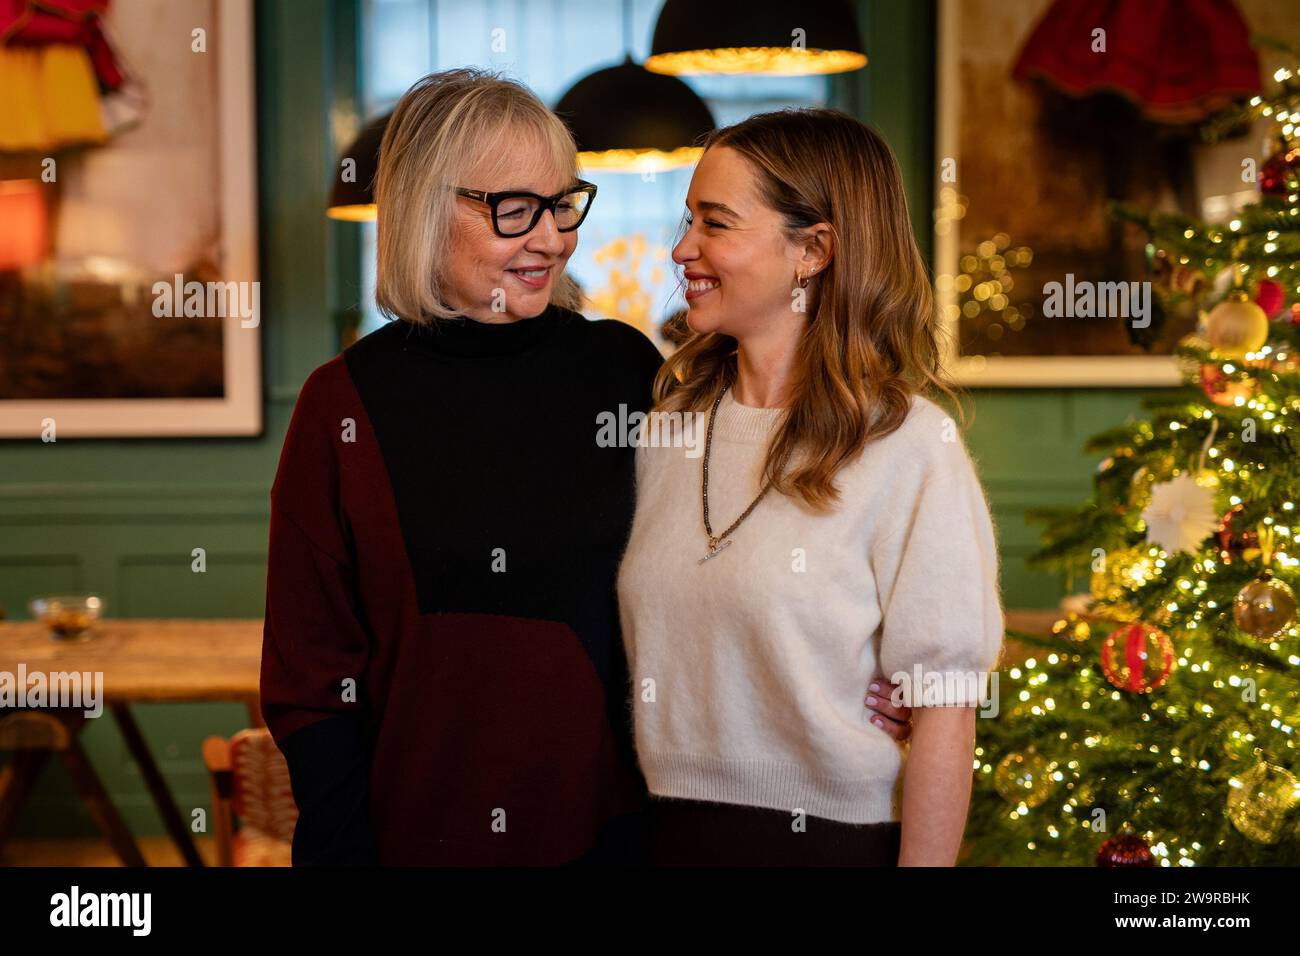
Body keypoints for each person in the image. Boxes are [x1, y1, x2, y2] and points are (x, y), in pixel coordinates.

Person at [259, 69, 919, 866]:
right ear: (427, 211)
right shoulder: (343, 402)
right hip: (409, 837)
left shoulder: (624, 371)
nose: (552, 238)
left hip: (624, 838)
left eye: (563, 202)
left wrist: (858, 672)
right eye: (514, 210)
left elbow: (736, 564)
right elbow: (311, 679)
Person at [617, 108, 1005, 867]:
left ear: (814, 250)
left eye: (715, 224)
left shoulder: (910, 447)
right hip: (661, 841)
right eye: (687, 220)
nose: (682, 249)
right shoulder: (666, 426)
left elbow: (945, 714)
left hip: (830, 846)